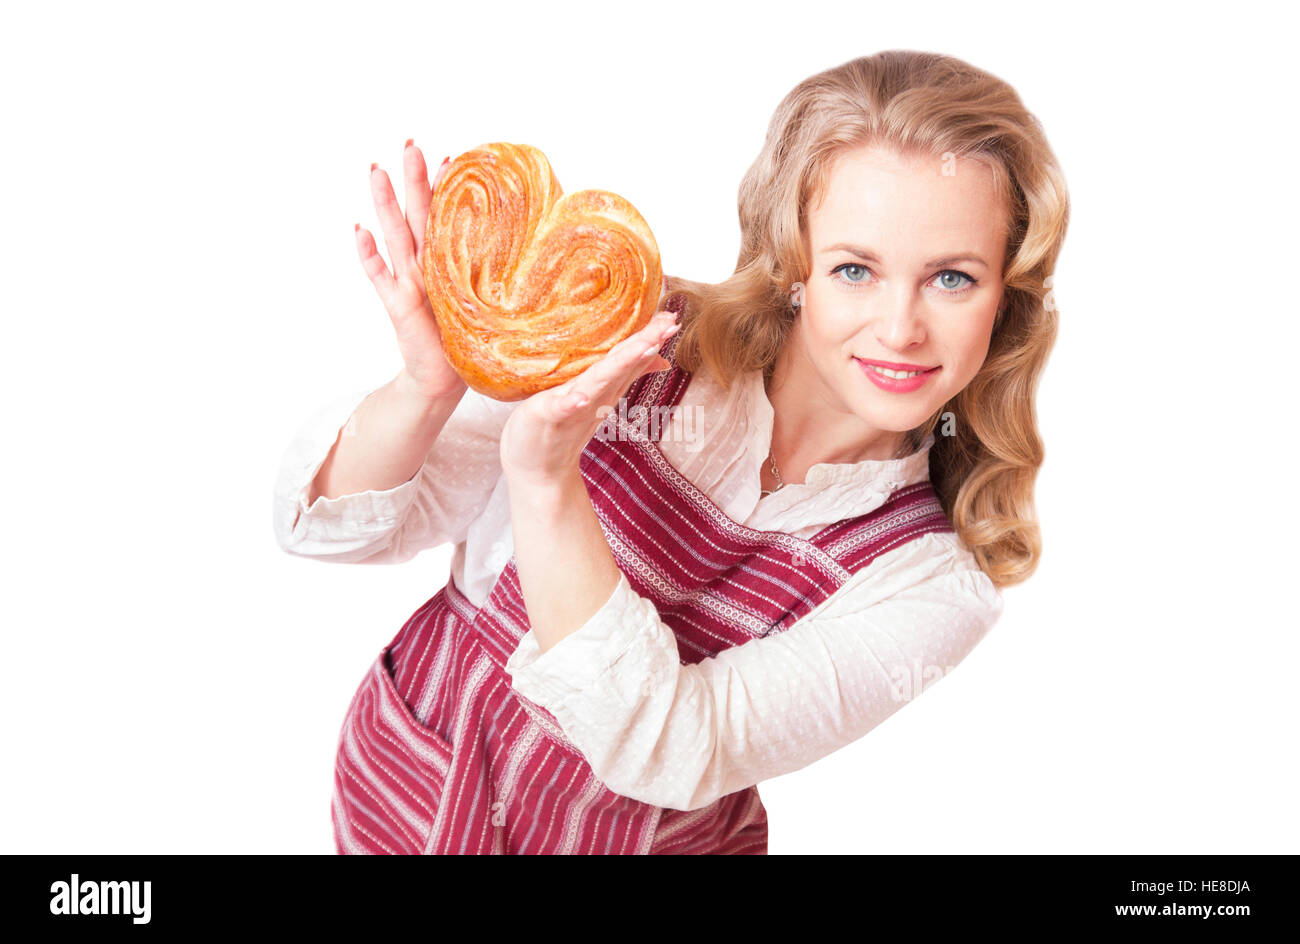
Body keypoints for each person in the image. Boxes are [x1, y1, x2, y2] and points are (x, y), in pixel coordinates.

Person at [272, 49, 1069, 854]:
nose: (900, 327)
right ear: (794, 264)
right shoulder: (628, 329)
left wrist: (548, 484)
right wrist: (426, 387)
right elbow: (331, 531)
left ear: (1008, 294)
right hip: (409, 791)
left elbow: (663, 746)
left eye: (954, 279)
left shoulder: (933, 584)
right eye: (855, 269)